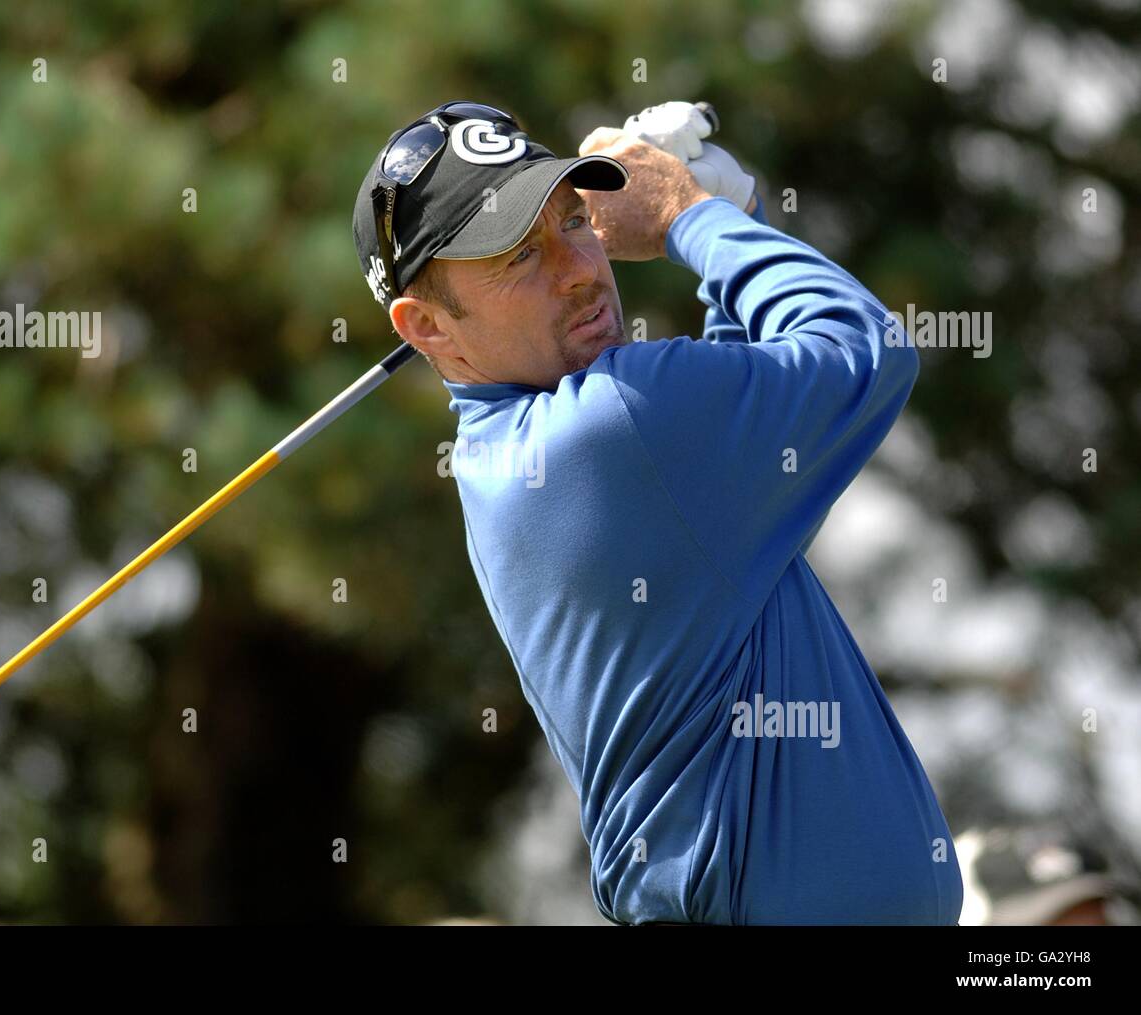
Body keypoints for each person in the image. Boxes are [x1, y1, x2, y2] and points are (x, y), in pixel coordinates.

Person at [352, 100, 963, 925]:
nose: (579, 267)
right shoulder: (609, 432)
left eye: (573, 219)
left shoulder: (535, 448)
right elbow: (863, 348)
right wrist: (692, 217)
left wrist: (729, 226)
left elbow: (734, 430)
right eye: (515, 257)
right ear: (427, 327)